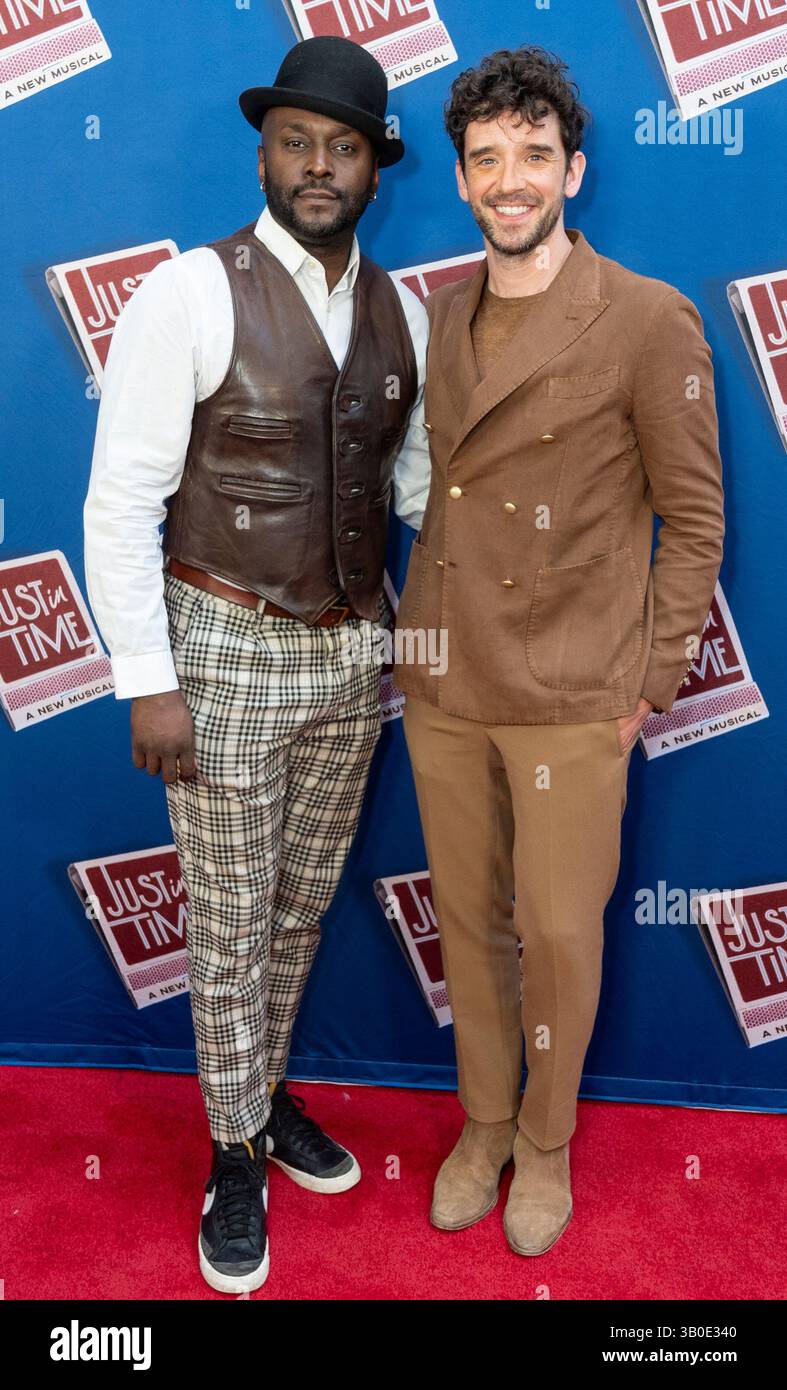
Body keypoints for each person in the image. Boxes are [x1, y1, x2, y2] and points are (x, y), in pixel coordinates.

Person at [83, 35, 430, 1294]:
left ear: (374, 168)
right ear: (264, 152)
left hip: (353, 658)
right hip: (219, 651)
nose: (318, 165)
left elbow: (414, 489)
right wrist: (146, 678)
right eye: (296, 141)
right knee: (228, 922)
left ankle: (262, 1095)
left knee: (296, 905)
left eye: (342, 145)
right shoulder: (188, 291)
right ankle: (232, 1148)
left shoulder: (406, 309)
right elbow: (120, 501)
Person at [392, 45, 725, 1256]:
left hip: (574, 688)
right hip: (444, 675)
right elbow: (437, 488)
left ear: (572, 170)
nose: (510, 178)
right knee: (466, 922)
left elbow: (693, 519)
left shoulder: (645, 316)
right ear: (465, 180)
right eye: (488, 160)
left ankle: (543, 1138)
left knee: (561, 933)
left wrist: (644, 683)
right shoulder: (439, 313)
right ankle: (481, 1120)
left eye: (534, 155)